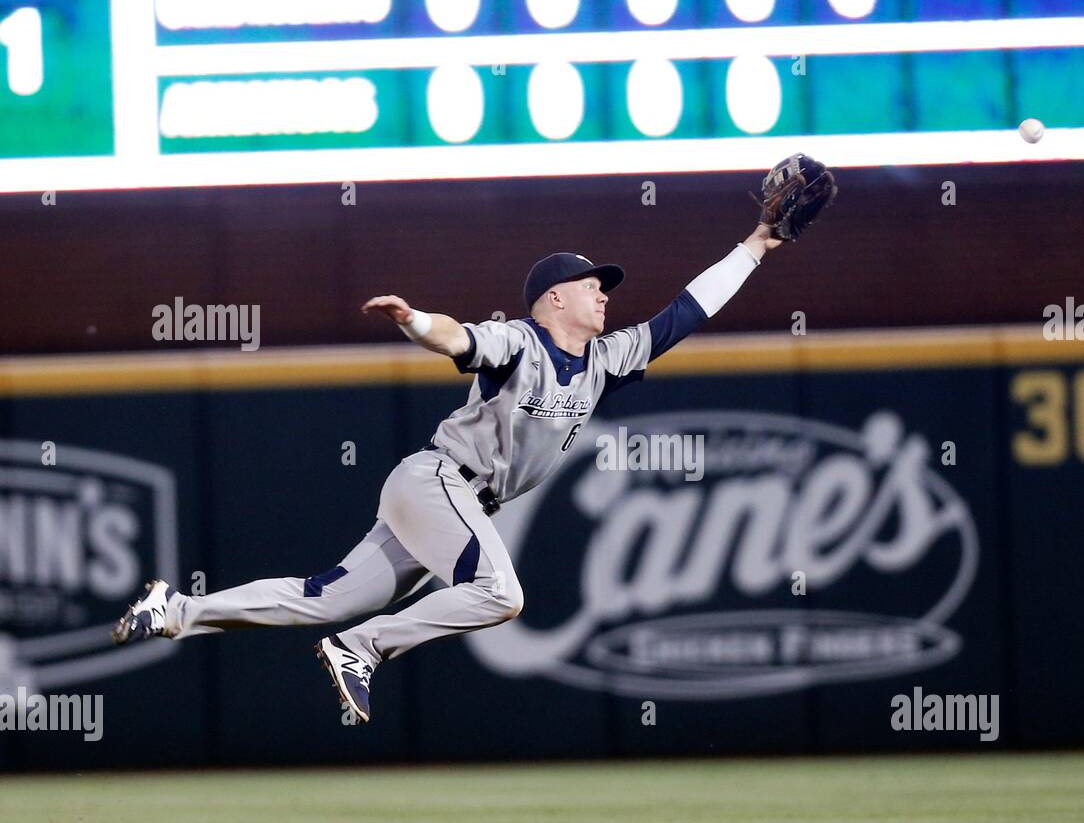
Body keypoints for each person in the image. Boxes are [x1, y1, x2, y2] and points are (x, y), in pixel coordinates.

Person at [113, 219, 785, 722]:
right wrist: (412, 322)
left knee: (323, 596)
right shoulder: (520, 341)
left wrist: (757, 244)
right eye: (591, 285)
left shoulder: (609, 359)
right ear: (554, 298)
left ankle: (172, 609)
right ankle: (364, 646)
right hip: (438, 481)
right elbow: (459, 337)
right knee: (502, 593)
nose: (604, 295)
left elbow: (686, 311)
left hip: (448, 505)